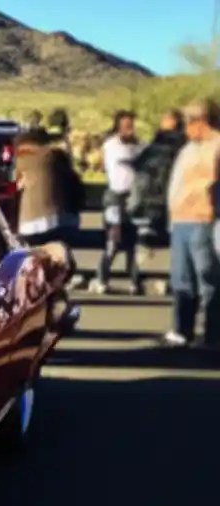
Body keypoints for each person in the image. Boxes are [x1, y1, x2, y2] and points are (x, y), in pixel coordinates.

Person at [162, 100, 220, 349]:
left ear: (201, 121)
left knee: (208, 279)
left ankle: (213, 335)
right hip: (181, 220)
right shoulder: (188, 149)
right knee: (181, 278)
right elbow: (176, 183)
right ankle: (181, 330)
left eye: (188, 122)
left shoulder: (217, 146)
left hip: (204, 219)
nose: (185, 128)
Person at [129, 110, 187, 292]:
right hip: (175, 201)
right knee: (176, 243)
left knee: (145, 242)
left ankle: (136, 280)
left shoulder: (152, 147)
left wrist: (134, 203)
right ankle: (171, 281)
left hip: (150, 201)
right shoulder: (184, 147)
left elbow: (138, 172)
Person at [91, 111, 143, 295]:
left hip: (134, 199)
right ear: (118, 126)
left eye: (131, 125)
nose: (129, 129)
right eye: (126, 125)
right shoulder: (111, 145)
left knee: (132, 242)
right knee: (113, 241)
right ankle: (101, 278)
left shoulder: (139, 147)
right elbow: (102, 163)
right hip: (115, 198)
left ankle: (135, 281)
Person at [14, 127, 83, 248]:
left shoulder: (22, 158)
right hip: (63, 220)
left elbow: (17, 185)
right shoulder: (58, 155)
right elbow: (74, 181)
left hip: (31, 224)